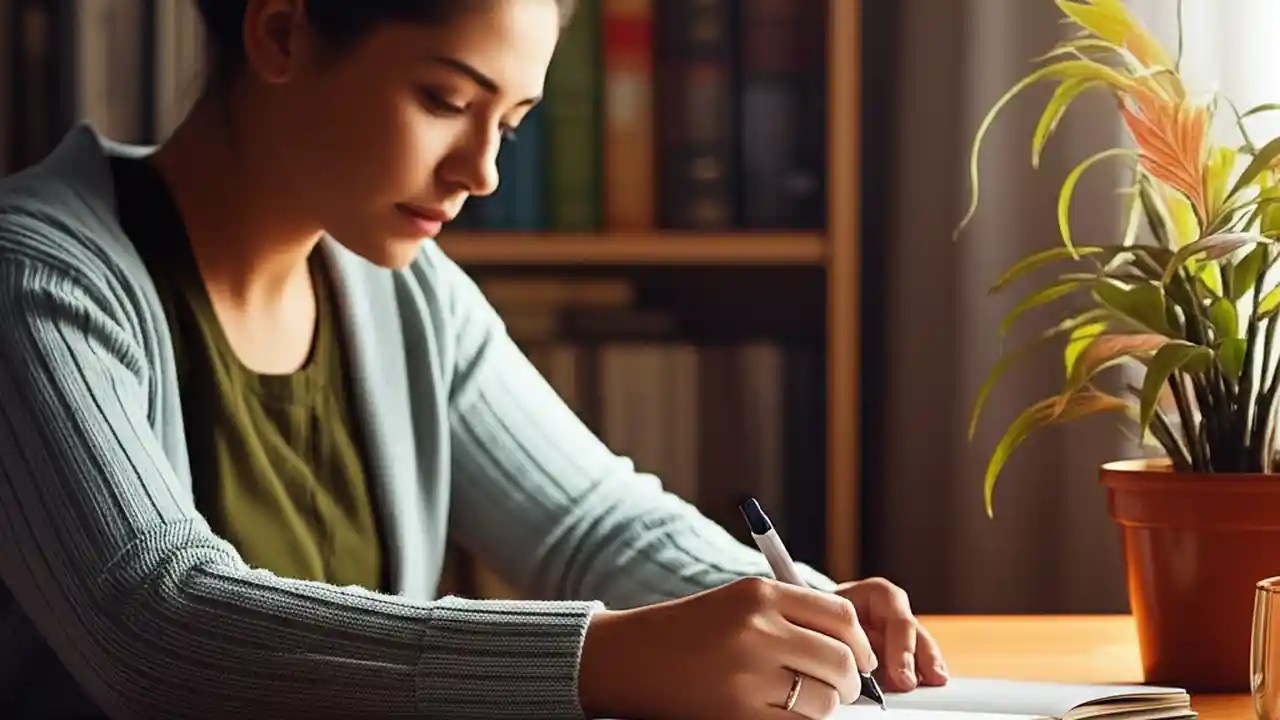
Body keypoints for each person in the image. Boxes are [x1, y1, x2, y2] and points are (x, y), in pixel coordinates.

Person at [0, 1, 949, 718]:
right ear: (282, 33)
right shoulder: (38, 279)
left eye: (512, 122)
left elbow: (589, 523)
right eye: (445, 100)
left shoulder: (401, 290)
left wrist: (804, 618)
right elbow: (154, 626)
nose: (482, 172)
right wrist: (600, 657)